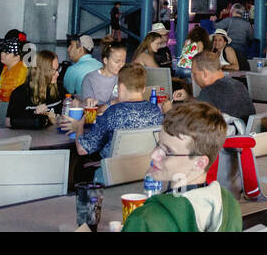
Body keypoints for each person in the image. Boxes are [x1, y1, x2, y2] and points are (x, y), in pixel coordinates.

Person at [122, 102, 241, 232]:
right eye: (158, 144)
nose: (154, 155)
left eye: (168, 151)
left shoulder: (145, 219)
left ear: (199, 163)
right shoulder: (230, 207)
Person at [67, 64, 164, 157]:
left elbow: (82, 149)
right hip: (146, 169)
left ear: (120, 88)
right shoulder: (155, 111)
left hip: (115, 171)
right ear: (143, 89)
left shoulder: (113, 113)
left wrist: (79, 125)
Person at [179, 51, 254, 121]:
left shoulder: (210, 91)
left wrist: (169, 111)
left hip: (226, 134)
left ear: (204, 73)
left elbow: (191, 122)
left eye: (194, 74)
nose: (193, 78)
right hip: (243, 132)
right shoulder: (238, 85)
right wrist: (188, 98)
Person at [8, 50, 65, 128]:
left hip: (55, 137)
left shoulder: (59, 88)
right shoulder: (20, 93)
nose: (57, 74)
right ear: (41, 72)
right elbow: (9, 121)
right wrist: (37, 116)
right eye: (53, 70)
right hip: (31, 138)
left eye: (58, 69)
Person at [80, 40, 127, 106]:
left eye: (123, 61)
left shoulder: (125, 78)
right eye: (117, 62)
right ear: (105, 60)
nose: (121, 65)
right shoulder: (90, 79)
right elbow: (88, 106)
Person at [0, 35, 28, 103]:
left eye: (7, 53)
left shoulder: (17, 73)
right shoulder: (7, 66)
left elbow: (2, 104)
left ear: (17, 57)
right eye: (3, 51)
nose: (2, 54)